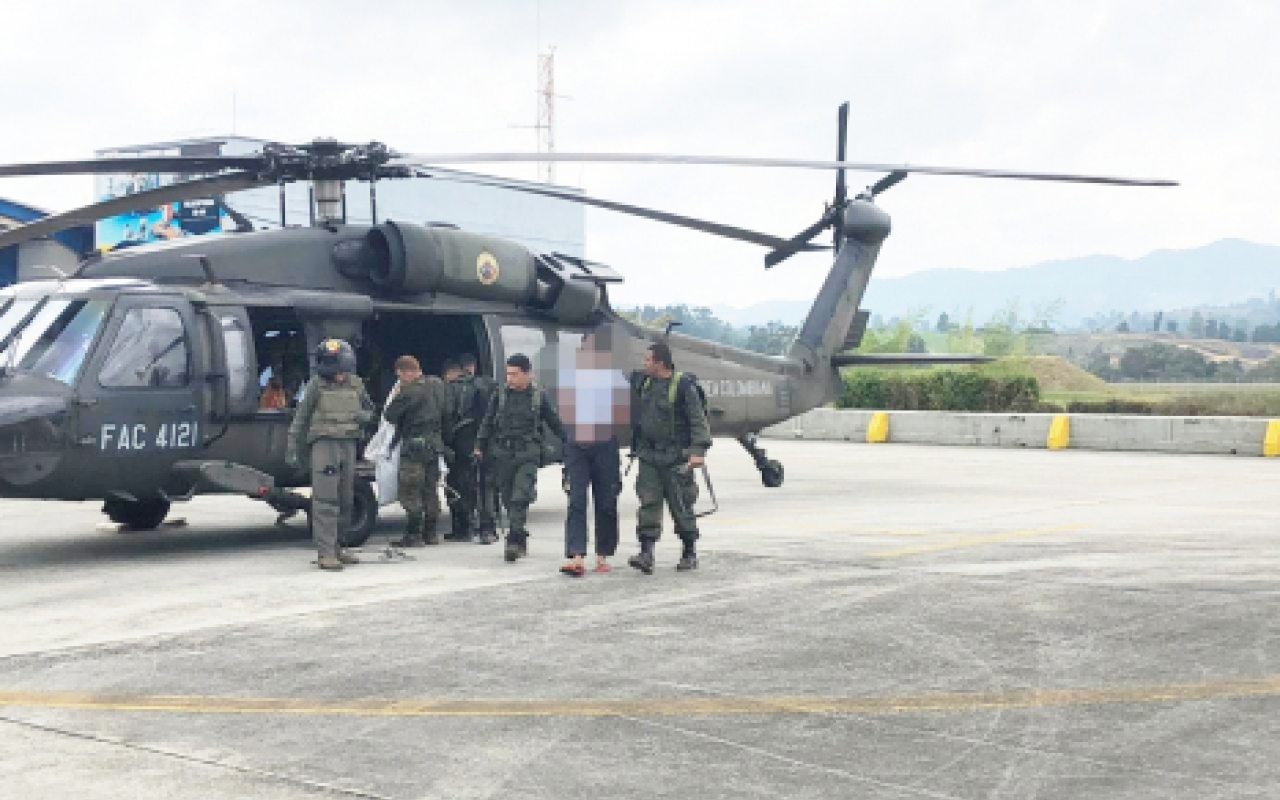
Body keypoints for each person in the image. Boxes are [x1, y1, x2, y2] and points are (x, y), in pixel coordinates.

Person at [287, 339, 376, 571]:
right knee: (326, 499)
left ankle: (339, 546)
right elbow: (301, 418)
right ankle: (325, 552)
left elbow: (370, 410)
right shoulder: (316, 386)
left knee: (346, 498)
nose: (338, 376)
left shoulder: (356, 384)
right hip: (324, 445)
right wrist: (293, 449)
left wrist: (365, 418)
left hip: (348, 443)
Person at [627, 342, 712, 574]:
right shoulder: (643, 382)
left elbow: (698, 420)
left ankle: (689, 552)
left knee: (682, 505)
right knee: (648, 503)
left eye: (647, 360)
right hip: (649, 455)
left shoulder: (683, 386)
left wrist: (698, 451)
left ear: (660, 363)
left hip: (677, 457)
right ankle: (646, 553)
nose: (644, 364)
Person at [474, 353, 566, 562]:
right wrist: (479, 445)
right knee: (507, 497)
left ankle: (513, 540)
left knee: (519, 496)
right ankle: (519, 533)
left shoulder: (538, 396)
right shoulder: (500, 395)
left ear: (527, 374)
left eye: (515, 374)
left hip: (528, 453)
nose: (510, 379)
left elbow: (553, 421)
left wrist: (569, 442)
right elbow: (488, 421)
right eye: (508, 374)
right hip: (503, 454)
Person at [557, 331, 629, 577]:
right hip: (577, 446)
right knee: (576, 500)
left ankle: (603, 555)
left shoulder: (614, 379)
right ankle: (576, 555)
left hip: (604, 446)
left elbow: (623, 414)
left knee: (606, 502)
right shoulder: (570, 377)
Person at [383, 355, 450, 547]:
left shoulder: (408, 391)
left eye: (400, 374)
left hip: (413, 447)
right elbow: (447, 412)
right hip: (434, 445)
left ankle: (413, 535)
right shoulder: (437, 384)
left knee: (410, 490)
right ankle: (431, 533)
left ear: (405, 373)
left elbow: (390, 415)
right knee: (430, 489)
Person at [443, 355, 489, 542]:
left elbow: (446, 416)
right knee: (474, 485)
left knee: (456, 484)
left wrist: (445, 442)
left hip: (457, 442)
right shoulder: (482, 386)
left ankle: (461, 527)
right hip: (475, 442)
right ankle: (476, 526)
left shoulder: (450, 389)